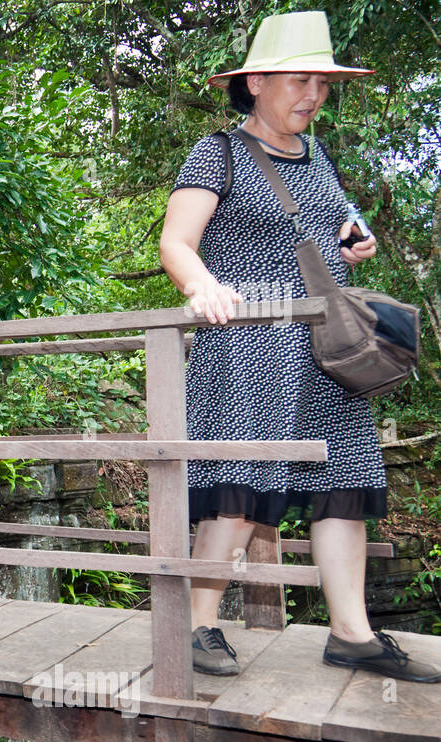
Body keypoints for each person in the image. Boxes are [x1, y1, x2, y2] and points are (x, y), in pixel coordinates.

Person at [159, 10, 438, 682]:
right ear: (255, 81)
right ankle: (199, 623)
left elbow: (337, 226)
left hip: (325, 350)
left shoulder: (319, 157)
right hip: (249, 346)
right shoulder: (218, 152)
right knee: (238, 485)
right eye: (299, 79)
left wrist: (357, 242)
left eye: (321, 81)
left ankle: (352, 633)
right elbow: (176, 241)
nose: (313, 94)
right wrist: (203, 288)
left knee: (345, 480)